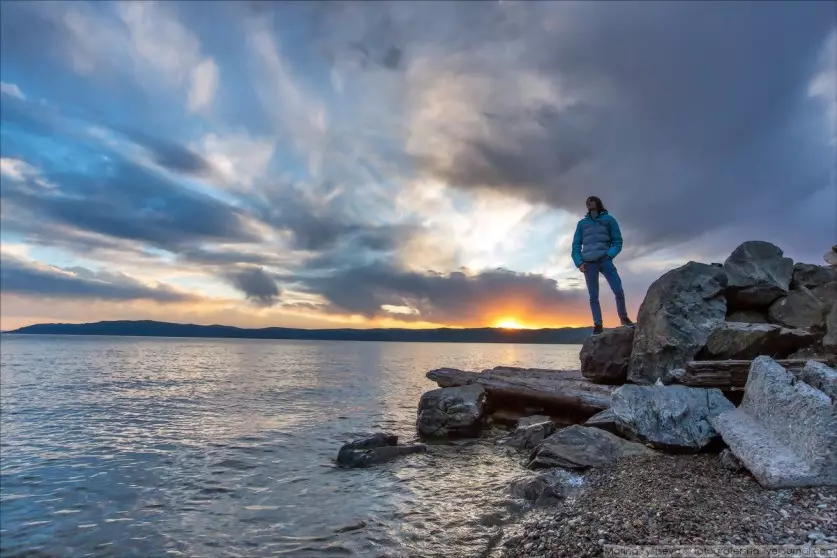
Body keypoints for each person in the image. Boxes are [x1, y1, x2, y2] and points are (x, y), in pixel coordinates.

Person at [571, 196, 634, 335]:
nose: (588, 202)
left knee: (618, 289)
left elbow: (617, 241)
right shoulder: (582, 224)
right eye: (587, 201)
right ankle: (598, 325)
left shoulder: (609, 220)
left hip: (605, 260)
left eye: (592, 200)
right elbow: (575, 246)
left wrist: (609, 254)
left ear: (598, 203)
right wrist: (579, 263)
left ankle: (624, 318)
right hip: (589, 263)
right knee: (593, 296)